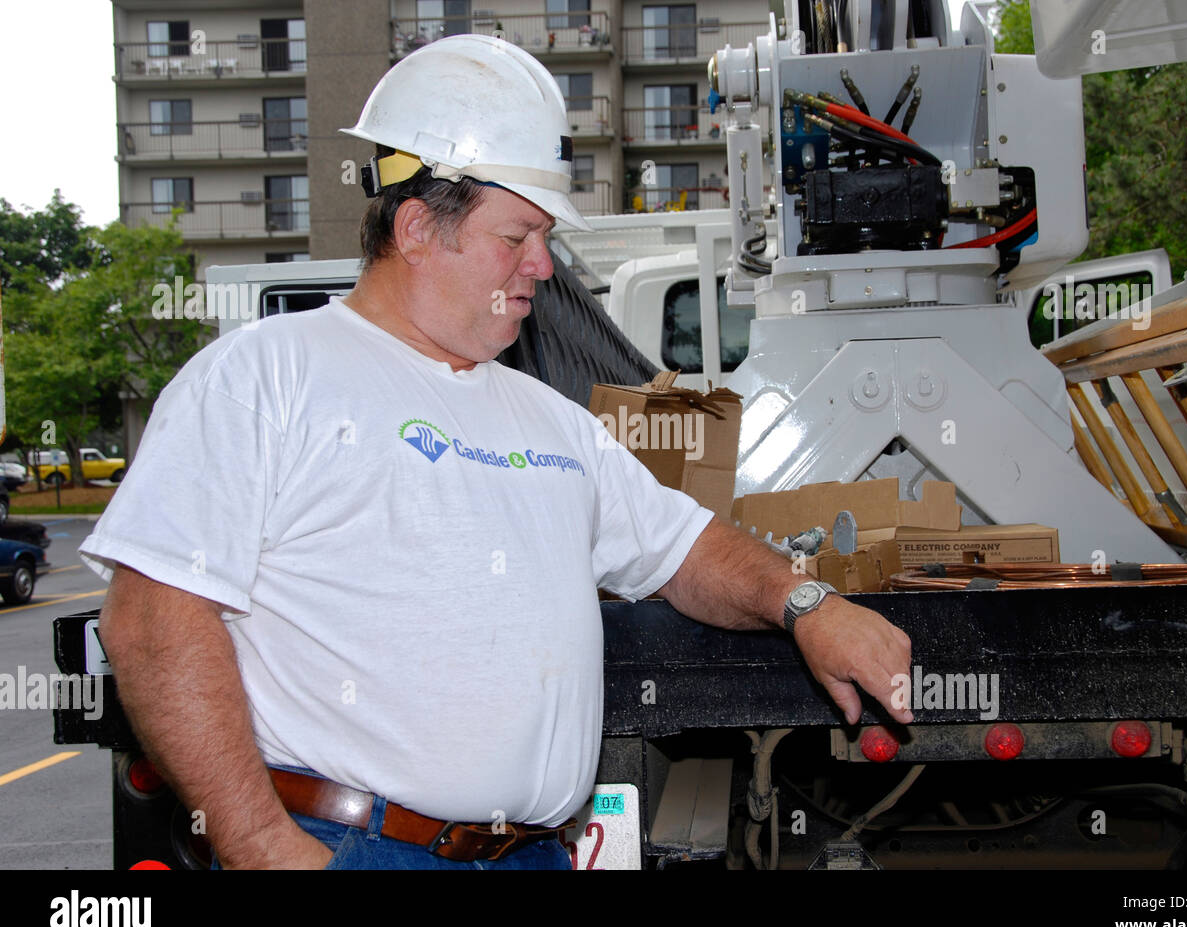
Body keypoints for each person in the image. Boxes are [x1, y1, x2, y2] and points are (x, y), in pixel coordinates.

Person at [80, 35, 911, 871]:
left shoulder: (551, 421)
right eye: (518, 236)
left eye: (543, 238)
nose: (542, 266)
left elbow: (685, 549)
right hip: (353, 847)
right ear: (416, 228)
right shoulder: (265, 378)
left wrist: (808, 605)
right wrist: (260, 845)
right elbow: (153, 621)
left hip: (531, 853)